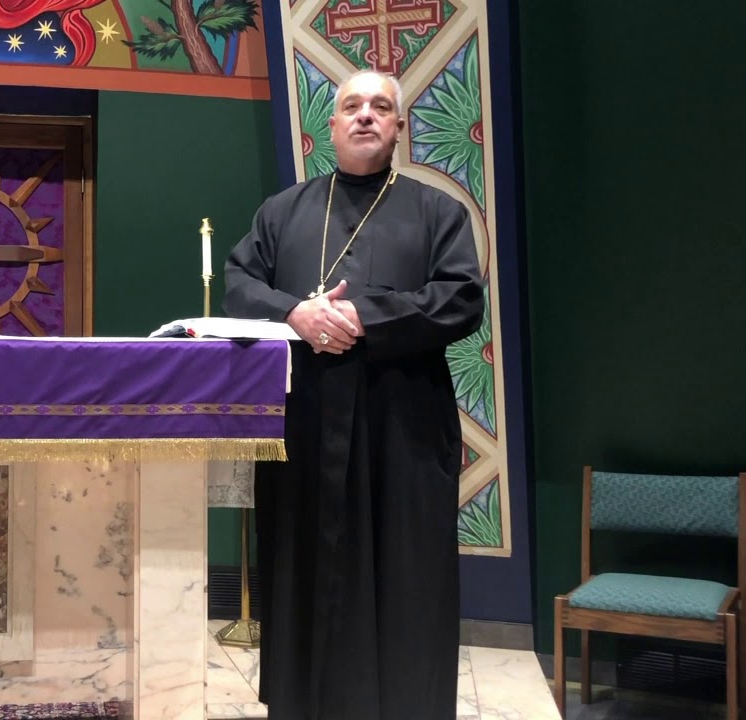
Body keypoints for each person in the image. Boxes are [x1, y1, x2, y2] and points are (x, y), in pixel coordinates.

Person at [222, 68, 485, 719]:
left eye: (380, 106)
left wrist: (363, 318)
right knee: (304, 568)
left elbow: (460, 300)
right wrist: (295, 316)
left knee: (406, 578)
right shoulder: (282, 212)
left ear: (398, 126)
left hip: (403, 429)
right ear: (330, 126)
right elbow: (239, 284)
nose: (365, 116)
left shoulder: (438, 213)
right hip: (305, 426)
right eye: (351, 106)